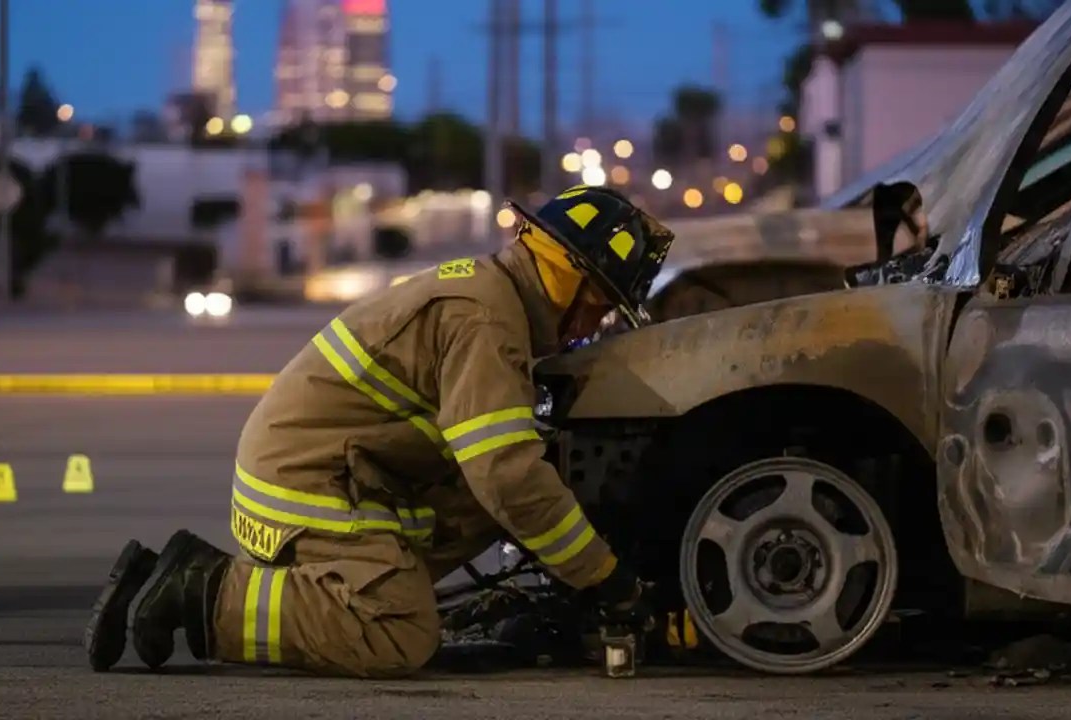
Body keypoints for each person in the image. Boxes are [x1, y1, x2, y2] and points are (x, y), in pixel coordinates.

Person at [84, 185, 676, 678]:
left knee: (504, 493)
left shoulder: (490, 295)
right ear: (567, 279)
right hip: (307, 486)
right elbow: (507, 476)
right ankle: (205, 592)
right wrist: (606, 578)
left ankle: (326, 584)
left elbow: (500, 482)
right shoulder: (486, 322)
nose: (592, 327)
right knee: (400, 632)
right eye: (600, 307)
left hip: (333, 469)